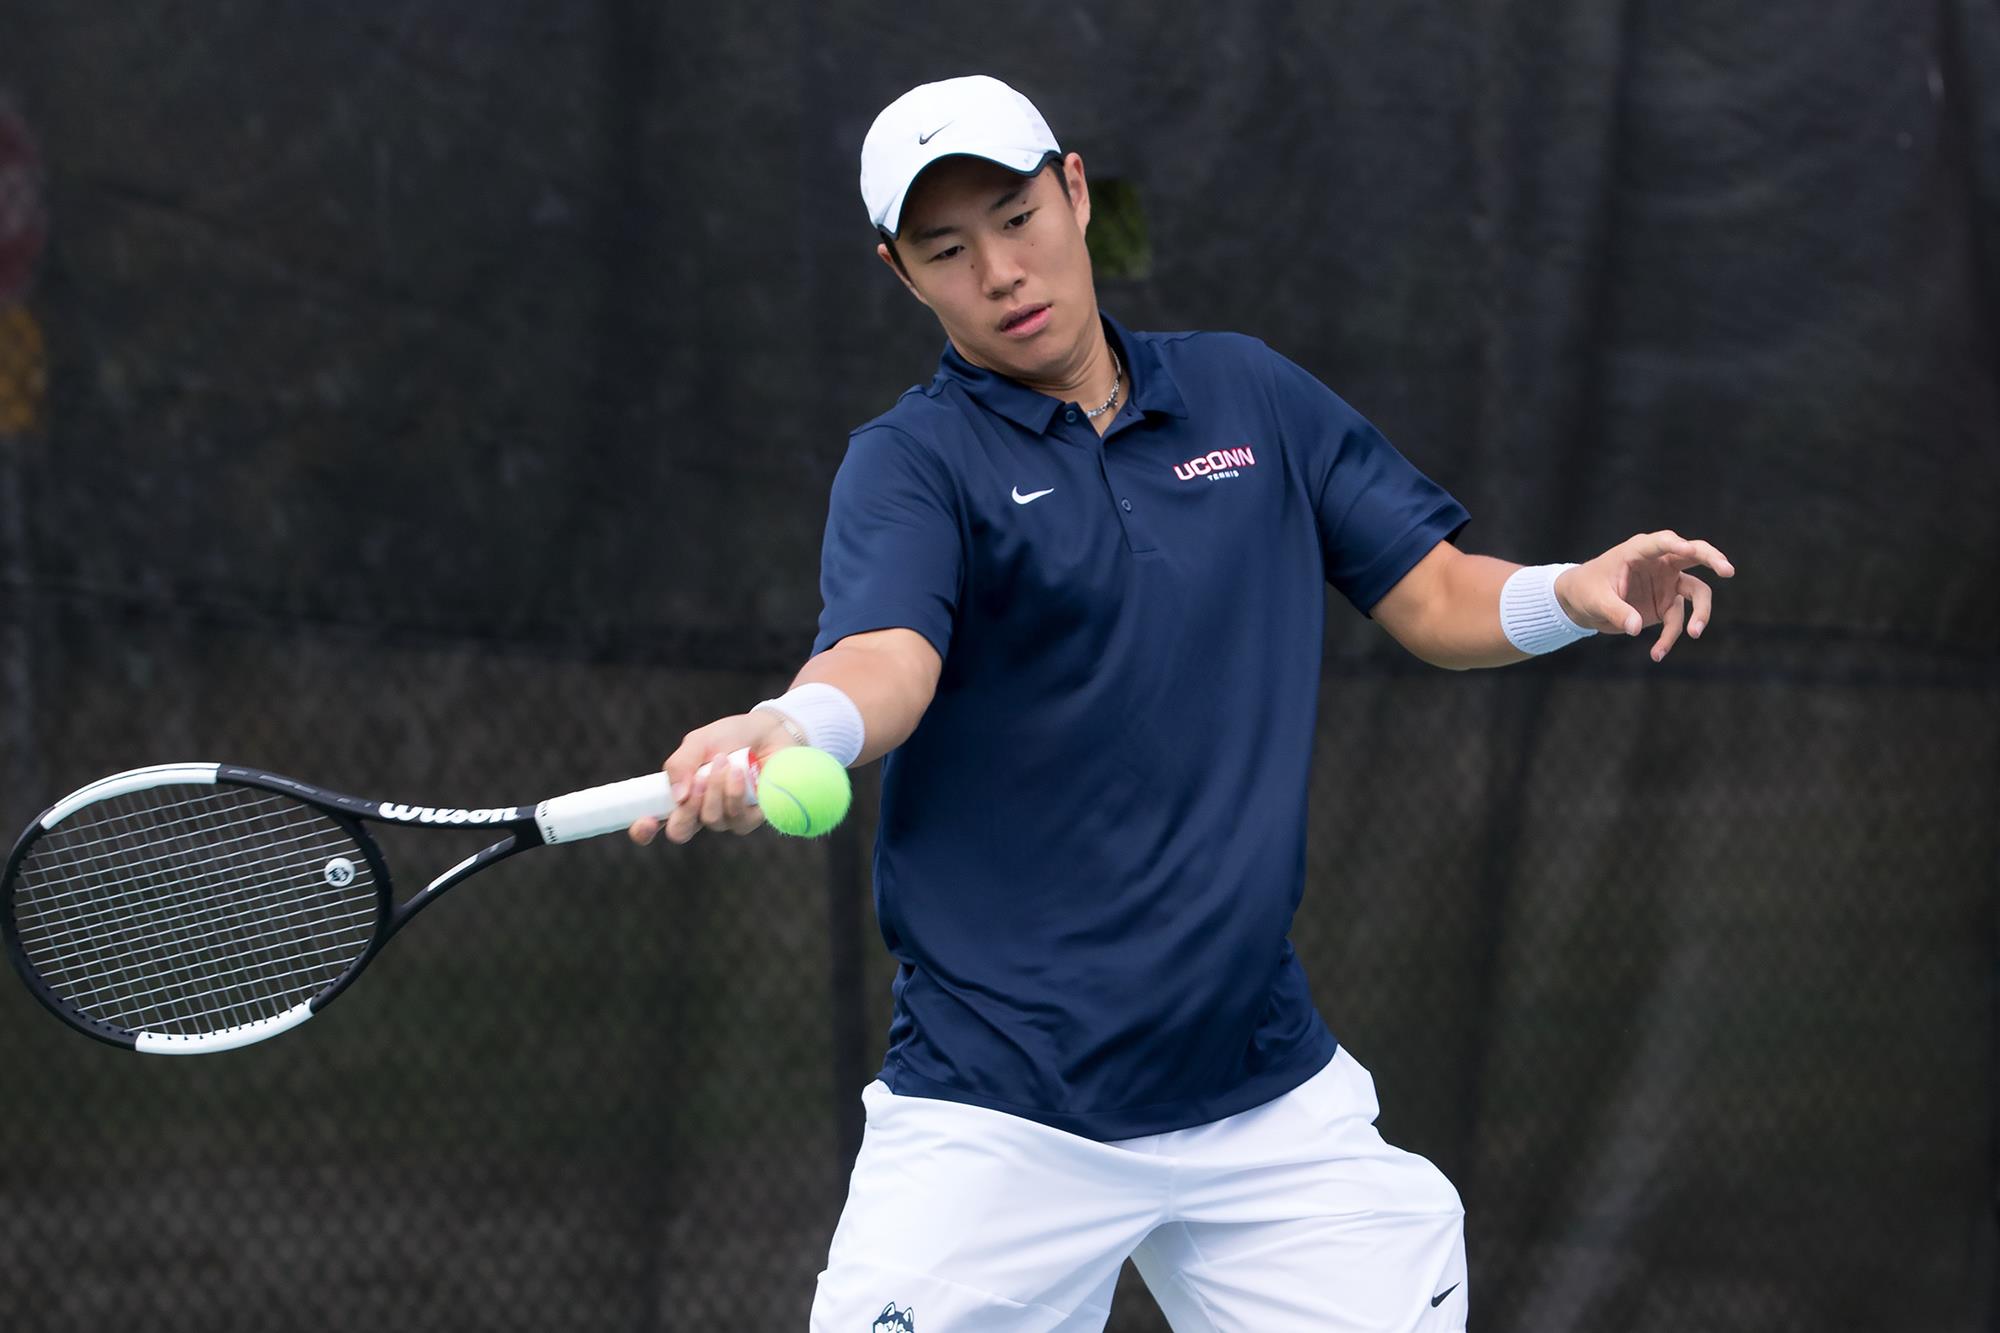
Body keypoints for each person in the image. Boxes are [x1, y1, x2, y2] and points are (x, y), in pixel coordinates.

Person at [629, 75, 1732, 1332]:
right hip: (1001, 1108)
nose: (1000, 269)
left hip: (1258, 1089)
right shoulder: (912, 462)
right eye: (947, 248)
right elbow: (884, 657)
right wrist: (795, 723)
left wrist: (1571, 593)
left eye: (1016, 215)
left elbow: (1429, 593)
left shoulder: (1248, 394)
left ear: (1076, 192)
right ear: (903, 275)